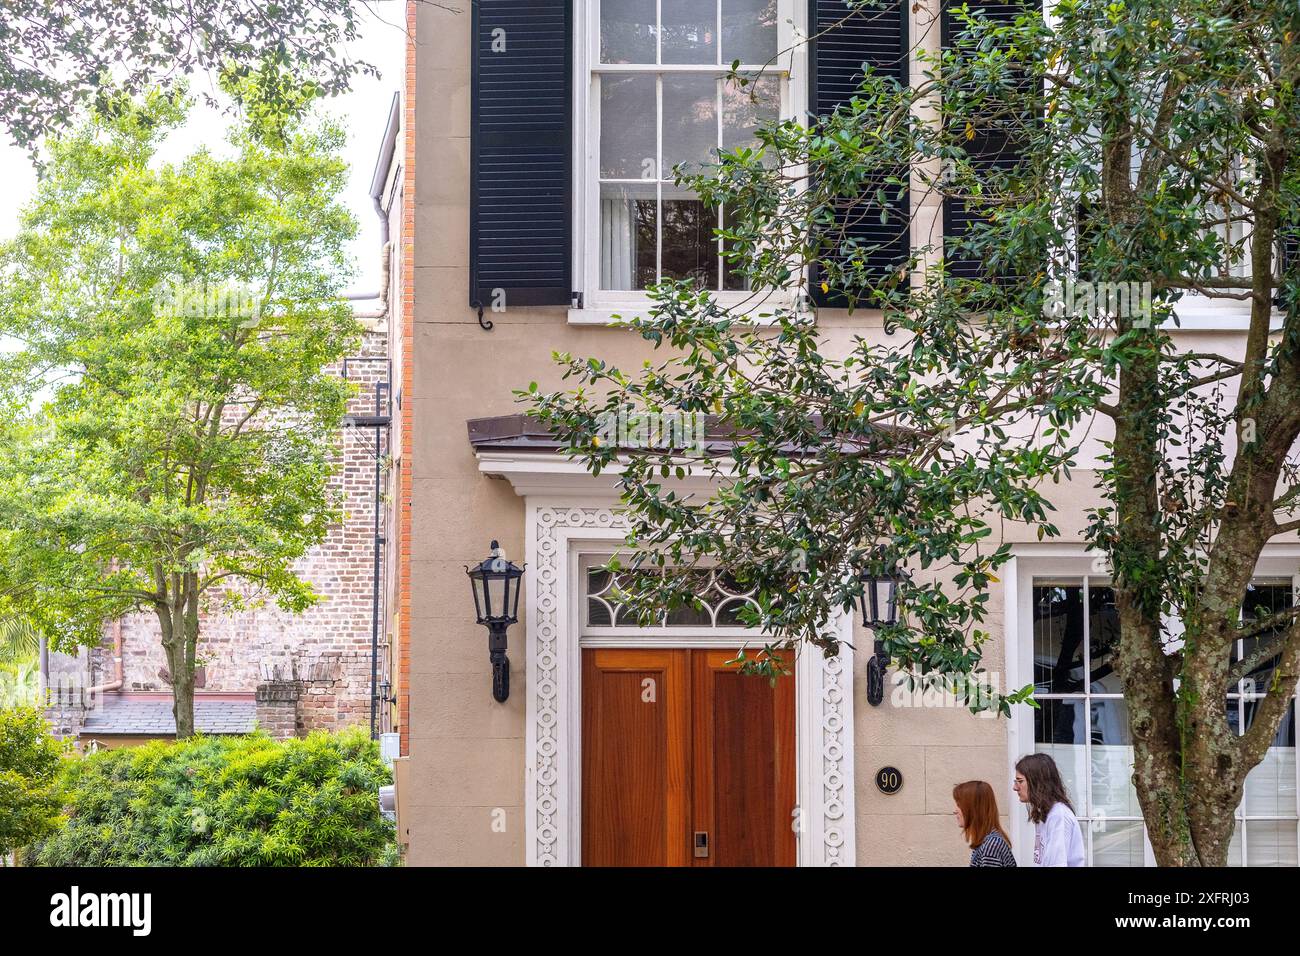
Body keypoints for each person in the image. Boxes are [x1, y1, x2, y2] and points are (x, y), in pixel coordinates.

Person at [1014, 753, 1085, 867]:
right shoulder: (1045, 813)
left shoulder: (1058, 815)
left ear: (1037, 781)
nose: (1015, 787)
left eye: (1020, 781)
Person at [953, 780, 1016, 867]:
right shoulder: (986, 842)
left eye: (959, 805)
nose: (955, 811)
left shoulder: (991, 845)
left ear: (973, 808)